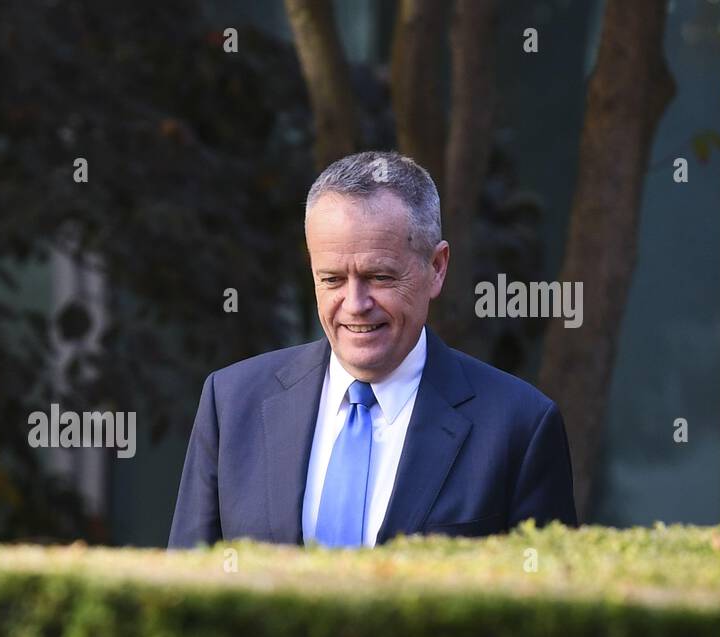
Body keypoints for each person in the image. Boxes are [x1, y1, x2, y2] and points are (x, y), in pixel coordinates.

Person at [168, 150, 576, 549]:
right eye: (331, 279)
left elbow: (545, 609)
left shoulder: (519, 427)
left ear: (436, 268)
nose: (355, 303)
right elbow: (183, 596)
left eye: (378, 276)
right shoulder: (232, 404)